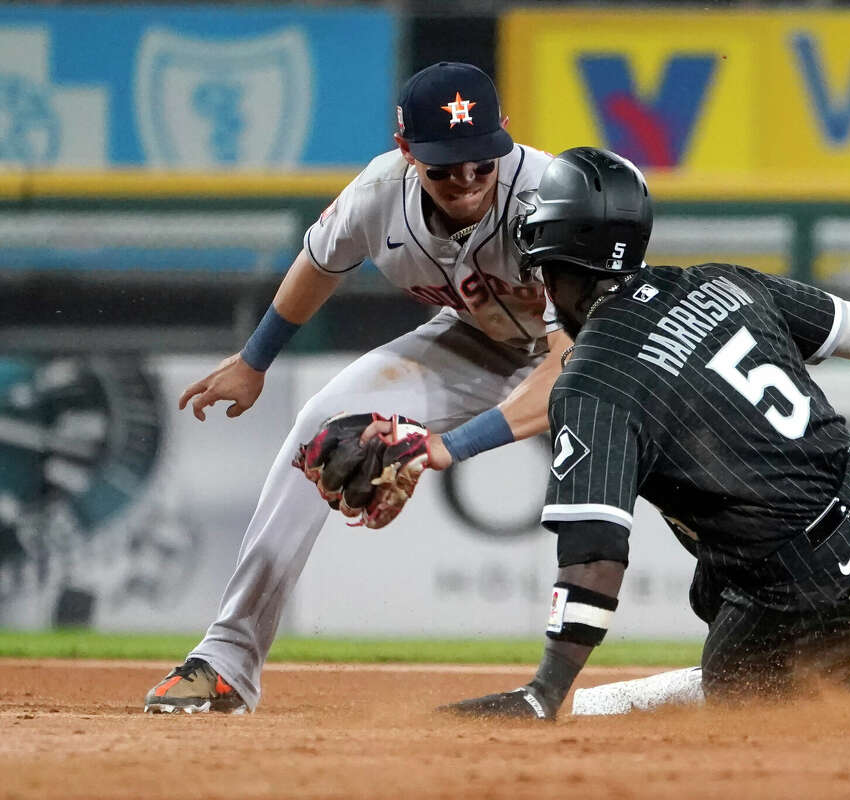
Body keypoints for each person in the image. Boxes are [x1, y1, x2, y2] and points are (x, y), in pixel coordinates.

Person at [438, 147, 850, 721]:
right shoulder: (719, 279)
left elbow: (596, 556)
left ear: (565, 267)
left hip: (814, 579)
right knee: (719, 582)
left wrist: (547, 691)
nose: (541, 287)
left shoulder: (594, 379)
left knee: (745, 694)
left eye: (545, 269)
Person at [143, 62, 570, 713]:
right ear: (406, 152)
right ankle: (224, 661)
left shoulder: (551, 194)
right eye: (445, 166)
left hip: (601, 356)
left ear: (505, 135)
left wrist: (446, 447)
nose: (466, 180)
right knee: (323, 420)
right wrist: (255, 360)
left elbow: (568, 368)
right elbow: (318, 262)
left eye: (482, 162)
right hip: (475, 345)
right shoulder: (379, 193)